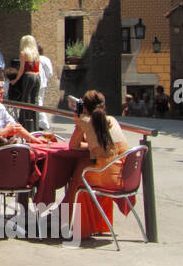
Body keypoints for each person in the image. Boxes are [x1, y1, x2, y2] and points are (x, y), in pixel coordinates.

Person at [61, 90, 130, 240]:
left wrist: (79, 123)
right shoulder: (113, 120)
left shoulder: (85, 122)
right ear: (104, 107)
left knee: (78, 175)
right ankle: (100, 224)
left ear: (84, 108)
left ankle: (66, 220)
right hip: (121, 178)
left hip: (102, 178)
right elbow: (114, 147)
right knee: (86, 169)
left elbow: (73, 145)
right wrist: (92, 146)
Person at [8, 35, 41, 132]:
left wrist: (16, 80)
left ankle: (24, 124)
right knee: (35, 101)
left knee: (25, 100)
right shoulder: (36, 53)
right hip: (37, 76)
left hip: (29, 76)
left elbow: (22, 69)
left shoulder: (23, 53)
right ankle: (35, 126)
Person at [36, 43, 54, 130]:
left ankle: (43, 123)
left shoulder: (37, 59)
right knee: (40, 101)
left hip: (38, 82)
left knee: (38, 102)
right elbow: (50, 72)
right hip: (43, 83)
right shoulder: (46, 59)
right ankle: (40, 122)